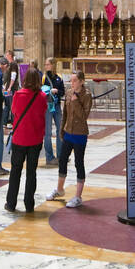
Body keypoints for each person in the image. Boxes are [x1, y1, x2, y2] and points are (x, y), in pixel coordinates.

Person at [4, 67, 48, 214]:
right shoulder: (42, 96)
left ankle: (11, 203)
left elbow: (15, 112)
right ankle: (29, 204)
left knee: (15, 171)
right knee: (31, 172)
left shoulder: (18, 95)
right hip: (35, 139)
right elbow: (42, 113)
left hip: (19, 138)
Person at [48, 70, 93, 208]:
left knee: (79, 162)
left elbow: (84, 116)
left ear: (81, 81)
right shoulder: (68, 93)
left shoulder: (86, 95)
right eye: (71, 80)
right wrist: (61, 131)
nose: (72, 83)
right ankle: (60, 189)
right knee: (62, 160)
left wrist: (77, 103)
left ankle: (78, 196)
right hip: (68, 132)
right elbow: (65, 114)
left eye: (74, 81)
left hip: (80, 134)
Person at [42, 57, 66, 164]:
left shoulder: (58, 78)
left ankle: (60, 155)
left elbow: (63, 92)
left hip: (56, 105)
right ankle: (49, 157)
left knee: (60, 130)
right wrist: (48, 91)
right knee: (47, 132)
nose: (46, 66)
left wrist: (57, 91)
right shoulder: (43, 78)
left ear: (53, 65)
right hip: (47, 106)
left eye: (48, 64)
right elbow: (41, 92)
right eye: (45, 64)